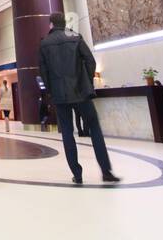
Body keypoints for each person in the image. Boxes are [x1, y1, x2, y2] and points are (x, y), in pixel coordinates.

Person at [37, 12, 121, 185]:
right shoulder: (75, 36)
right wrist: (86, 81)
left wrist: (52, 90)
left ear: (51, 25)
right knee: (95, 128)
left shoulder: (44, 43)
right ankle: (106, 171)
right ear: (64, 23)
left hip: (60, 96)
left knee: (67, 133)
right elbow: (90, 61)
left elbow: (44, 73)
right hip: (81, 92)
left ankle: (78, 174)